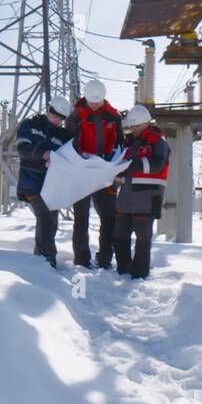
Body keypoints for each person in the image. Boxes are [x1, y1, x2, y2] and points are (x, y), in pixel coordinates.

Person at [64, 79, 122, 269]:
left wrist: (112, 163)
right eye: (91, 102)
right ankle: (81, 259)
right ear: (86, 98)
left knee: (109, 216)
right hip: (81, 171)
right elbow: (68, 142)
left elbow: (119, 143)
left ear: (104, 99)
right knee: (81, 217)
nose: (94, 105)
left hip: (104, 171)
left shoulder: (113, 117)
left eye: (97, 102)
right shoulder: (76, 116)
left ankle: (104, 258)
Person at [15, 96, 75, 268]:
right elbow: (23, 148)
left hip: (52, 184)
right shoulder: (30, 125)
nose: (57, 120)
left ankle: (40, 261)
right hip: (31, 182)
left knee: (52, 222)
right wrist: (43, 154)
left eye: (61, 118)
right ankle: (46, 261)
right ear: (48, 110)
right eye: (55, 115)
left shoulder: (63, 135)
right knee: (45, 218)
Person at [114, 104, 170, 279]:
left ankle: (139, 274)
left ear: (146, 123)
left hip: (148, 197)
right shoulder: (130, 143)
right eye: (130, 127)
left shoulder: (158, 142)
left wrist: (130, 165)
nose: (132, 130)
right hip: (126, 197)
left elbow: (157, 165)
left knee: (143, 239)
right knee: (120, 235)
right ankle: (123, 269)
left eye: (135, 126)